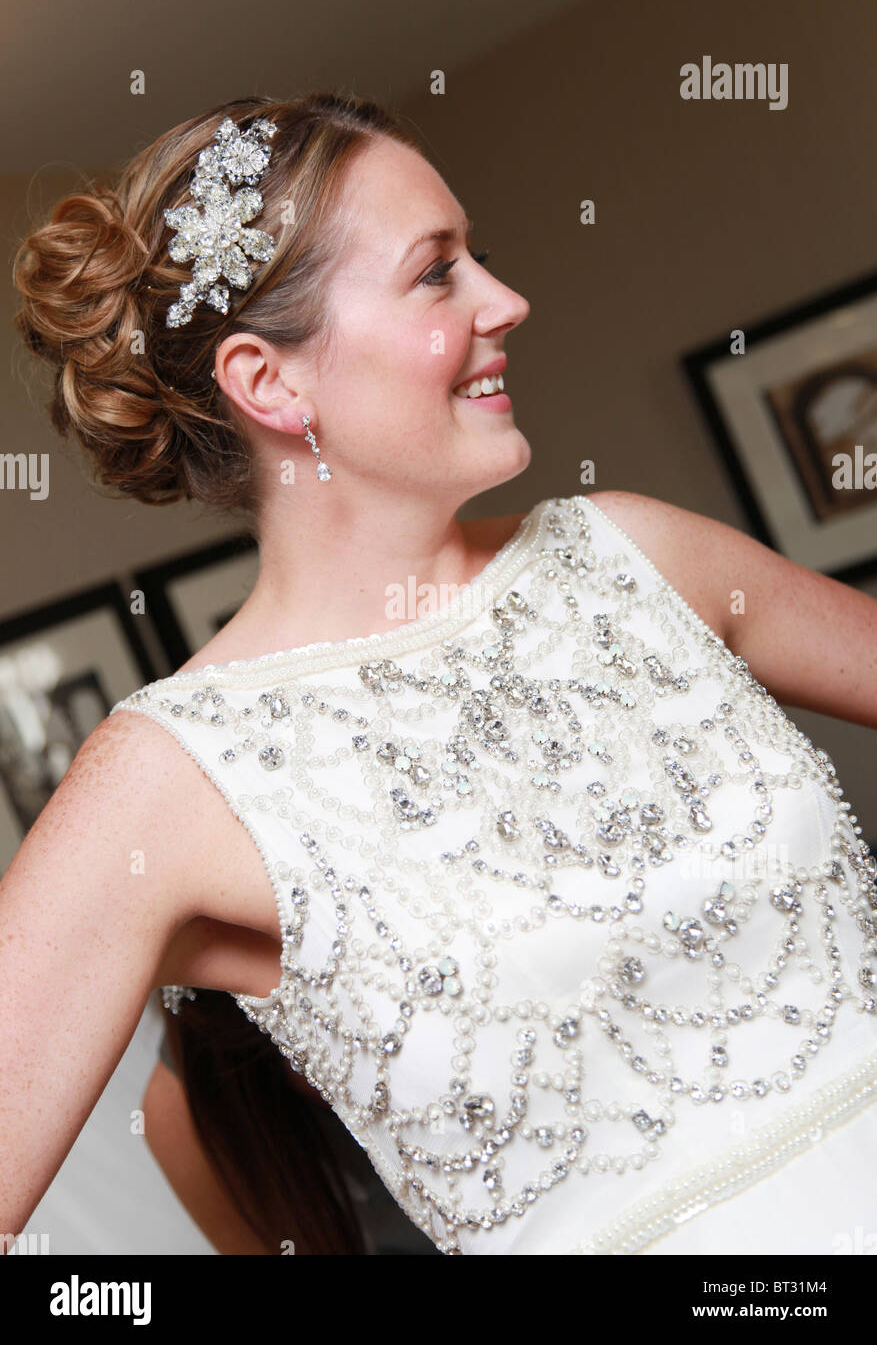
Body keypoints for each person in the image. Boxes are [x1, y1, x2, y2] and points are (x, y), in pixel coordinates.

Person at [4, 91, 877, 1257]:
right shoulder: (173, 779)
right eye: (436, 273)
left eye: (482, 258)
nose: (506, 301)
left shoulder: (634, 553)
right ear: (271, 383)